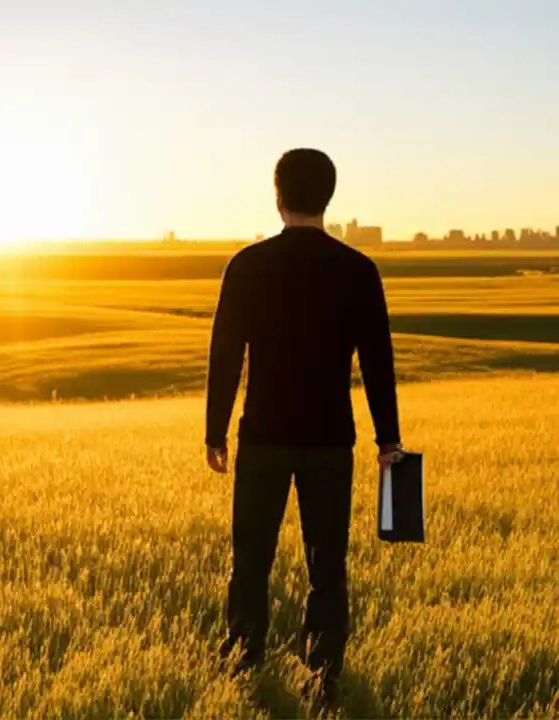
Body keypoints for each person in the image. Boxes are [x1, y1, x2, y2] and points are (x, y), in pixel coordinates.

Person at [205, 148, 403, 708]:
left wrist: (215, 432)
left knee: (251, 558)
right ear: (329, 197)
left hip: (263, 436)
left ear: (278, 196)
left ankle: (243, 663)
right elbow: (378, 361)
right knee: (327, 564)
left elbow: (226, 354)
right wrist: (388, 438)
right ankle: (324, 675)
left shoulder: (247, 265)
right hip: (329, 440)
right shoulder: (358, 270)